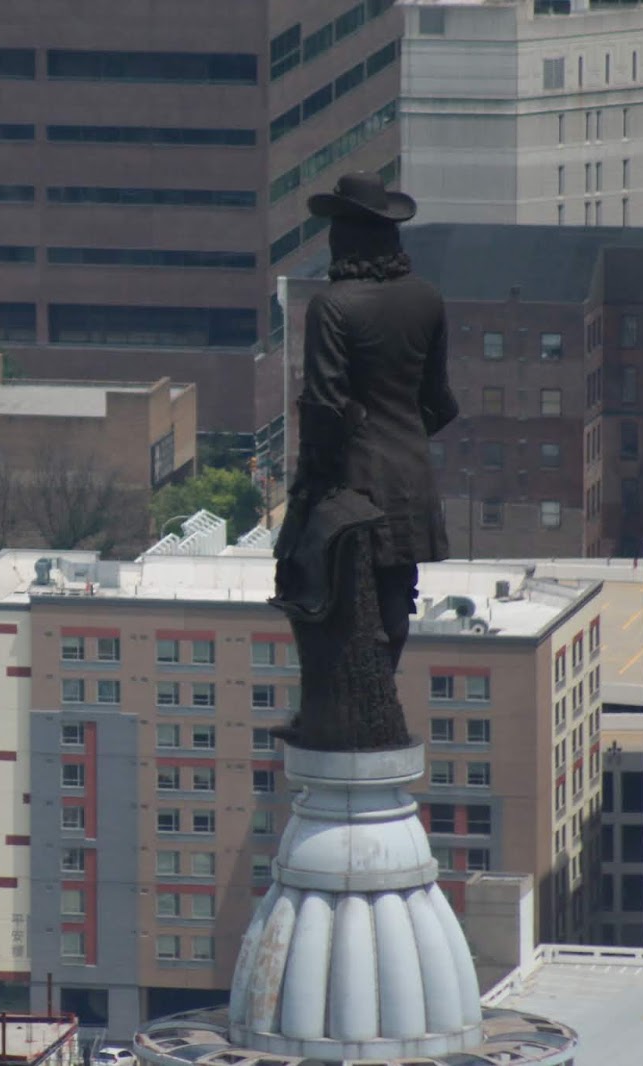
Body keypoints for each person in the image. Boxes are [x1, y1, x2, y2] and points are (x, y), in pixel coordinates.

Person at [271, 172, 458, 750]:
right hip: (412, 475)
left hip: (349, 480)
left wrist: (310, 485)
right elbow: (440, 402)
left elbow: (324, 406)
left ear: (349, 238)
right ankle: (380, 699)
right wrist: (401, 436)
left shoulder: (332, 307)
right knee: (396, 594)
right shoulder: (427, 299)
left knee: (317, 596)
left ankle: (331, 711)